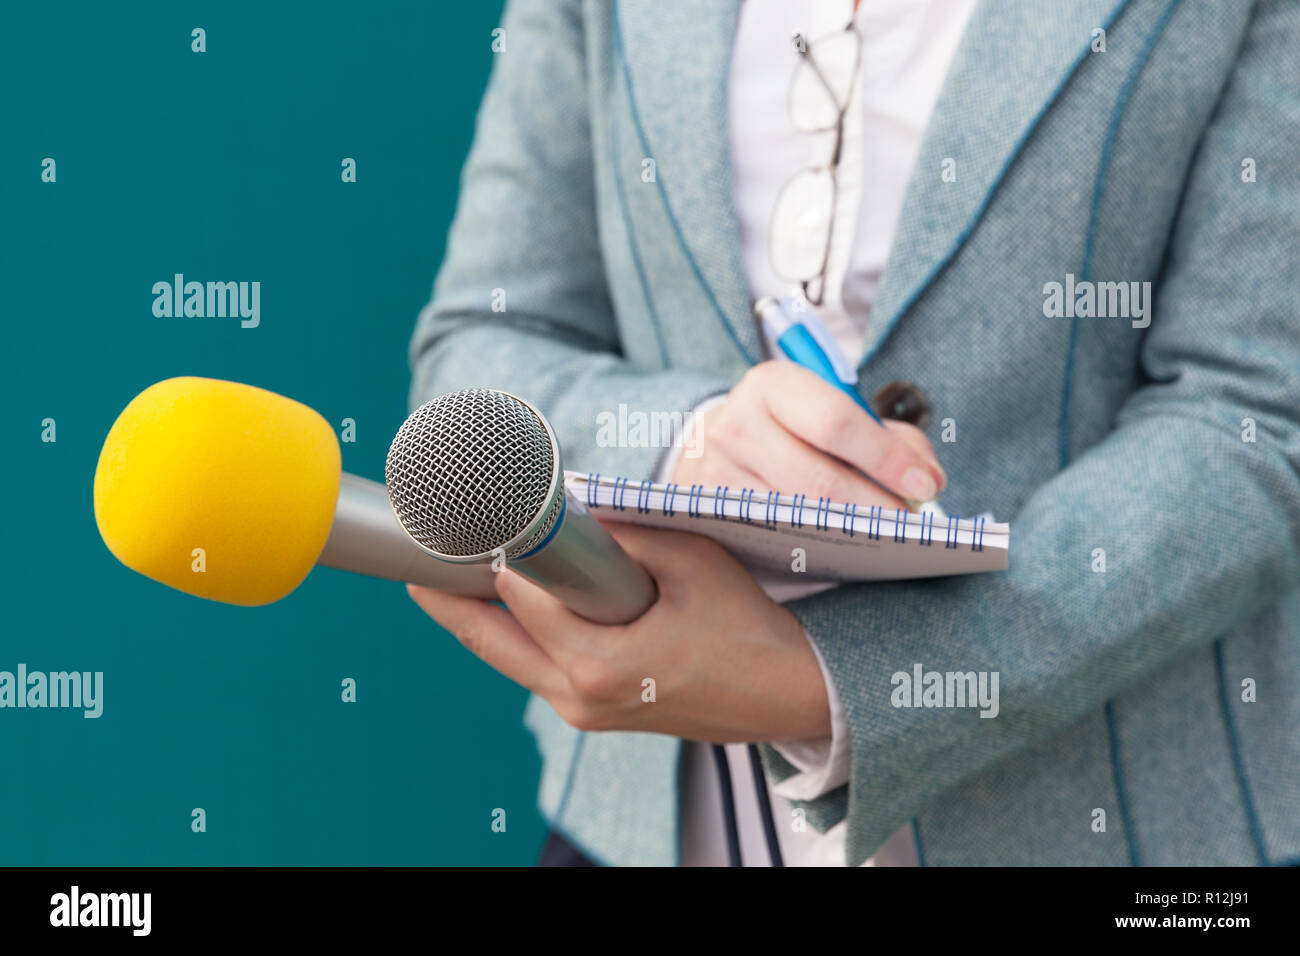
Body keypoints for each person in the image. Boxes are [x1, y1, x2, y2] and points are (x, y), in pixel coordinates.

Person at [403, 0, 1300, 866]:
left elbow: (1252, 411)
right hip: (647, 825)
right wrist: (691, 445)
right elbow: (488, 340)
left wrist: (835, 682)